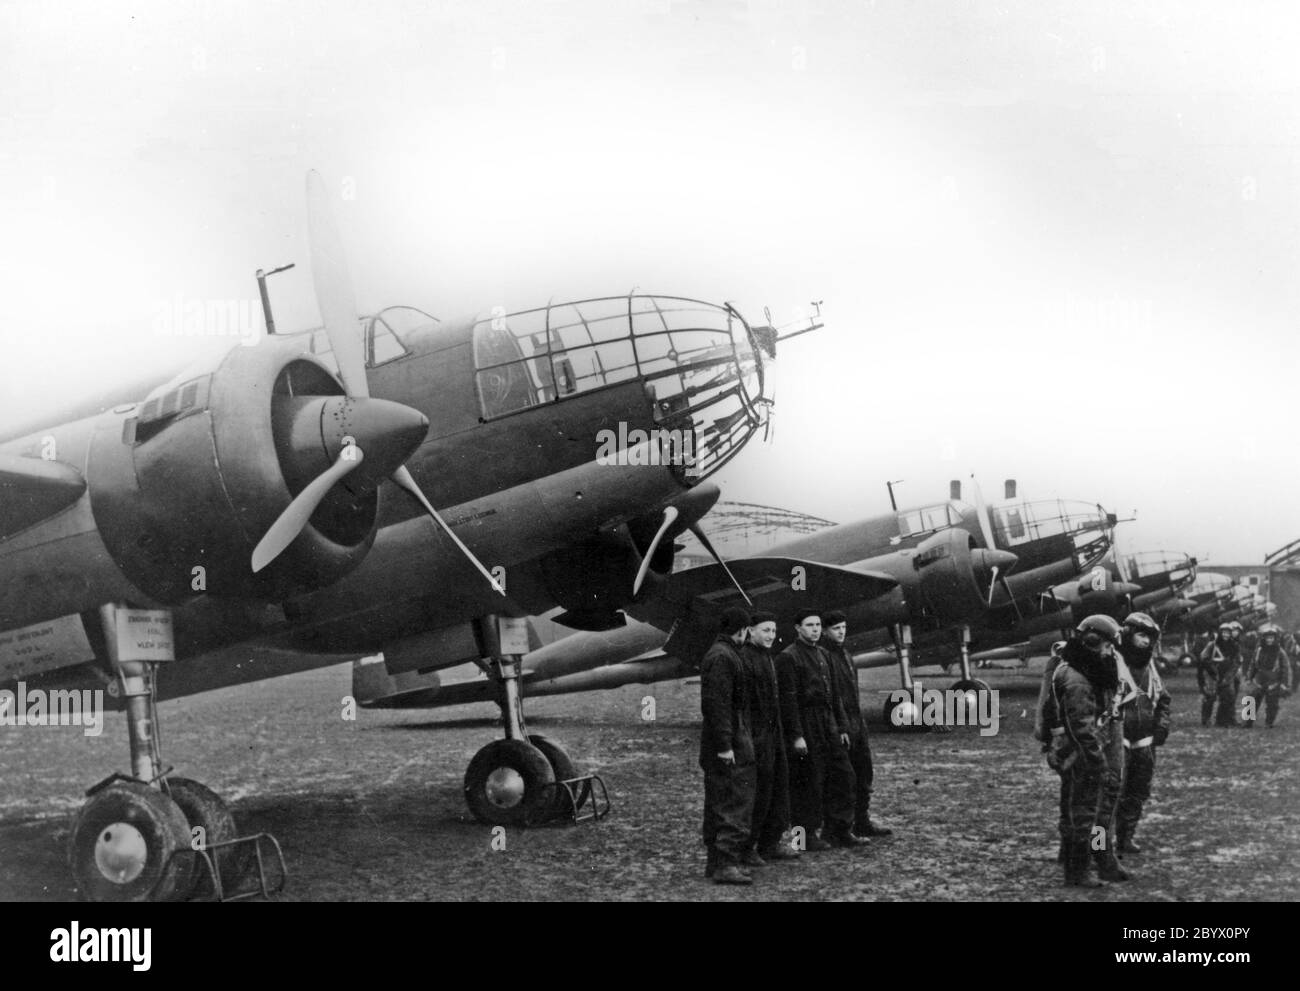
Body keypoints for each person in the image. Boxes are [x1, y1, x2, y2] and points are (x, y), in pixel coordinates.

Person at [1043, 614, 1129, 886]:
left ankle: (1093, 863)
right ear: (1092, 642)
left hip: (1086, 753)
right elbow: (1082, 727)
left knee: (1090, 810)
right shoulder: (1078, 679)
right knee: (1084, 813)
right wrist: (1097, 762)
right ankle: (1078, 871)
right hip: (1084, 755)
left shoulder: (1085, 669)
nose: (1109, 652)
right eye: (1106, 646)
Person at [776, 608, 865, 850]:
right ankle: (803, 838)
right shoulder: (788, 657)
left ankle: (838, 830)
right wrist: (796, 735)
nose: (815, 629)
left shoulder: (825, 655)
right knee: (808, 782)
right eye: (809, 625)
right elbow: (788, 701)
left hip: (828, 723)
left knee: (844, 776)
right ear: (798, 628)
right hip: (806, 722)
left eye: (817, 625)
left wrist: (843, 727)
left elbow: (835, 695)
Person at [699, 606, 758, 885]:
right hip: (729, 741)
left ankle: (716, 862)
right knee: (734, 801)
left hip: (724, 739)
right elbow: (718, 705)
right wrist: (725, 745)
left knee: (719, 800)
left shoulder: (719, 653)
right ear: (743, 630)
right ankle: (726, 863)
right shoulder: (724, 657)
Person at [821, 610, 892, 837]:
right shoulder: (825, 656)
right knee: (843, 778)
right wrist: (840, 727)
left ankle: (862, 821)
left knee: (864, 773)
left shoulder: (846, 655)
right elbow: (832, 696)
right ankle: (840, 827)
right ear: (825, 631)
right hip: (841, 724)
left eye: (843, 627)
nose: (841, 632)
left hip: (856, 722)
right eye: (835, 629)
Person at [739, 611, 800, 864]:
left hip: (774, 737)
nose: (771, 636)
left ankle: (770, 843)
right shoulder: (744, 659)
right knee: (758, 794)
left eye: (773, 631)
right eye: (765, 630)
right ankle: (747, 847)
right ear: (750, 631)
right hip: (757, 737)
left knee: (777, 791)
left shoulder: (769, 658)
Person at [1114, 612, 1172, 856]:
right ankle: (1100, 845)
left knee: (1138, 790)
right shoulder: (1113, 662)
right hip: (1117, 738)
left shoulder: (1150, 668)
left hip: (1145, 740)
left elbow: (1164, 699)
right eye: (1141, 635)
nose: (1146, 641)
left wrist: (1162, 724)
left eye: (1150, 637)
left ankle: (1126, 837)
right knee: (1111, 791)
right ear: (1128, 635)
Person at [1241, 623, 1292, 729]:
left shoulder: (1280, 652)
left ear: (1275, 638)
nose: (1269, 640)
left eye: (1271, 638)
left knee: (1272, 703)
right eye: (1267, 638)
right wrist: (1249, 677)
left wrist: (1284, 683)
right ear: (1263, 638)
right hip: (1259, 679)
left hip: (1273, 680)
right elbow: (1253, 664)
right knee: (1251, 700)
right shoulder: (1259, 650)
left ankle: (1269, 723)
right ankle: (1248, 722)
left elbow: (1285, 668)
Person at [1198, 621, 1242, 727]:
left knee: (1229, 696)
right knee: (1210, 696)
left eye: (1228, 633)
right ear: (1220, 632)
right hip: (1212, 674)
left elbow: (1236, 663)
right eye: (1224, 632)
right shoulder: (1212, 645)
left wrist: (1228, 677)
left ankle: (1223, 720)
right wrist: (1212, 670)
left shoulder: (1234, 646)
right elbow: (1203, 658)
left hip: (1226, 674)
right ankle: (1206, 719)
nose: (1226, 635)